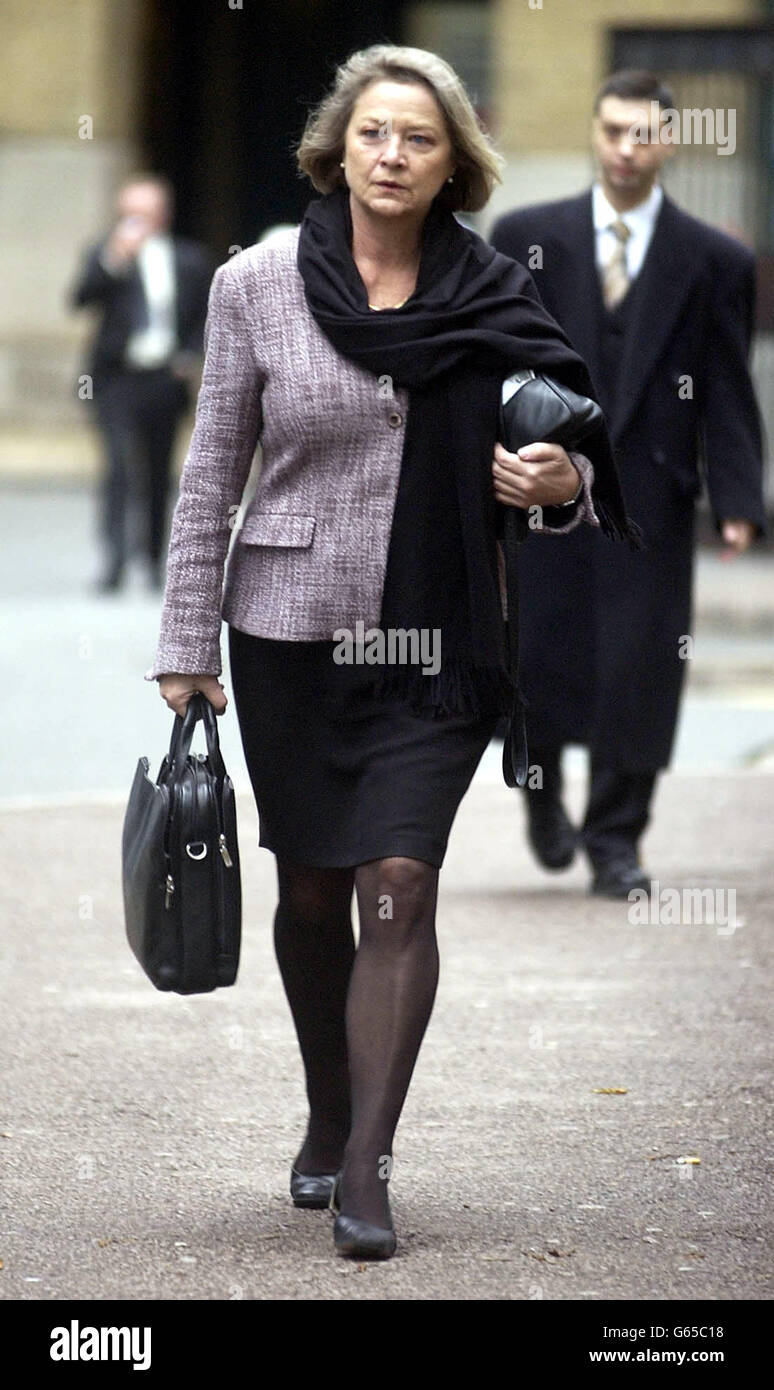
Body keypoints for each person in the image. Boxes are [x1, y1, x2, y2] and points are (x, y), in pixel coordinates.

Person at [144, 45, 634, 1261]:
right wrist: (184, 635)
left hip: (440, 639)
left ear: (452, 162)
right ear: (338, 147)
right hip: (291, 633)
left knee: (398, 883)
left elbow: (562, 430)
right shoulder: (256, 283)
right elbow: (215, 468)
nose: (393, 155)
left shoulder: (492, 290)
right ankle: (325, 1101)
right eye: (374, 133)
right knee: (312, 893)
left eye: (419, 138)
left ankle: (367, 1157)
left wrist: (560, 480)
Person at [490, 70, 766, 899]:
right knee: (537, 657)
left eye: (641, 134)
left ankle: (616, 841)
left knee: (641, 667)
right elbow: (497, 364)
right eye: (611, 130)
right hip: (542, 490)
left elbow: (726, 383)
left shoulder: (715, 259)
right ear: (594, 132)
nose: (623, 148)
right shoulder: (526, 235)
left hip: (651, 497)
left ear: (668, 142)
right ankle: (541, 801)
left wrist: (741, 500)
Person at [70, 174, 215, 591]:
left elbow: (206, 316)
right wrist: (115, 258)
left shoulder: (189, 259)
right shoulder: (105, 254)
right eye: (129, 213)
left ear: (162, 215)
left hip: (164, 380)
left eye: (144, 213)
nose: (136, 221)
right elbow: (80, 298)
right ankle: (113, 561)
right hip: (116, 379)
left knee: (157, 472)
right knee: (117, 468)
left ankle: (153, 560)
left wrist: (189, 356)